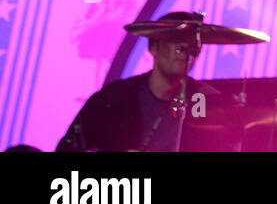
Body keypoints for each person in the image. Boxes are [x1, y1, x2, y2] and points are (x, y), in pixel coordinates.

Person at [55, 11, 232, 152]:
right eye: (175, 40)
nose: (184, 48)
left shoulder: (206, 102)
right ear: (153, 47)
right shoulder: (113, 99)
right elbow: (69, 149)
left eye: (192, 43)